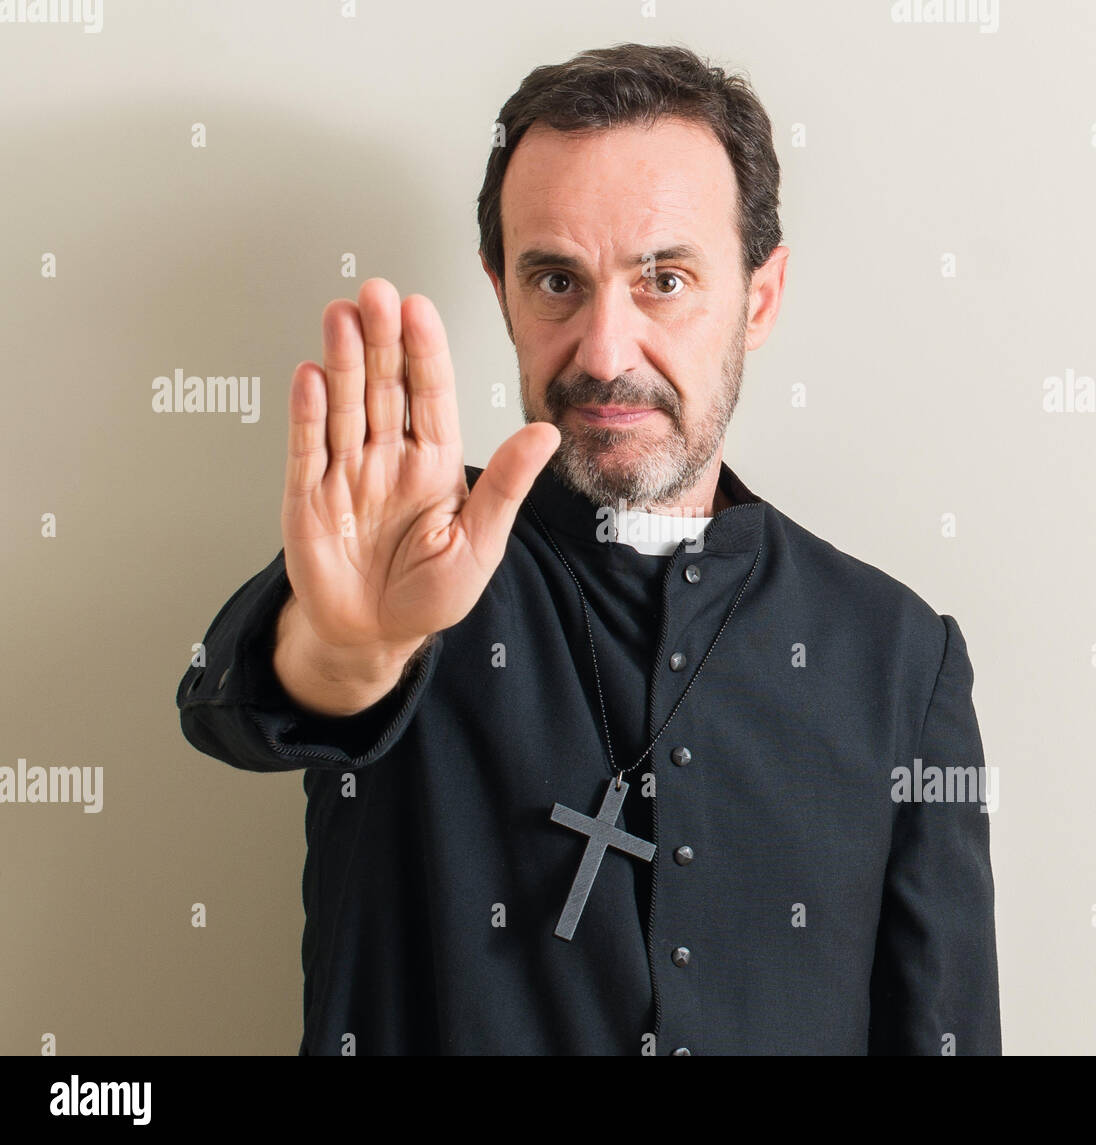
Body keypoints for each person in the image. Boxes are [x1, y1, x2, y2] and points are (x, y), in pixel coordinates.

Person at [176, 42, 1000, 1056]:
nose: (605, 352)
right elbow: (260, 704)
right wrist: (349, 652)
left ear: (760, 294)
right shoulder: (412, 550)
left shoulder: (897, 659)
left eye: (663, 278)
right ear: (503, 289)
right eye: (557, 280)